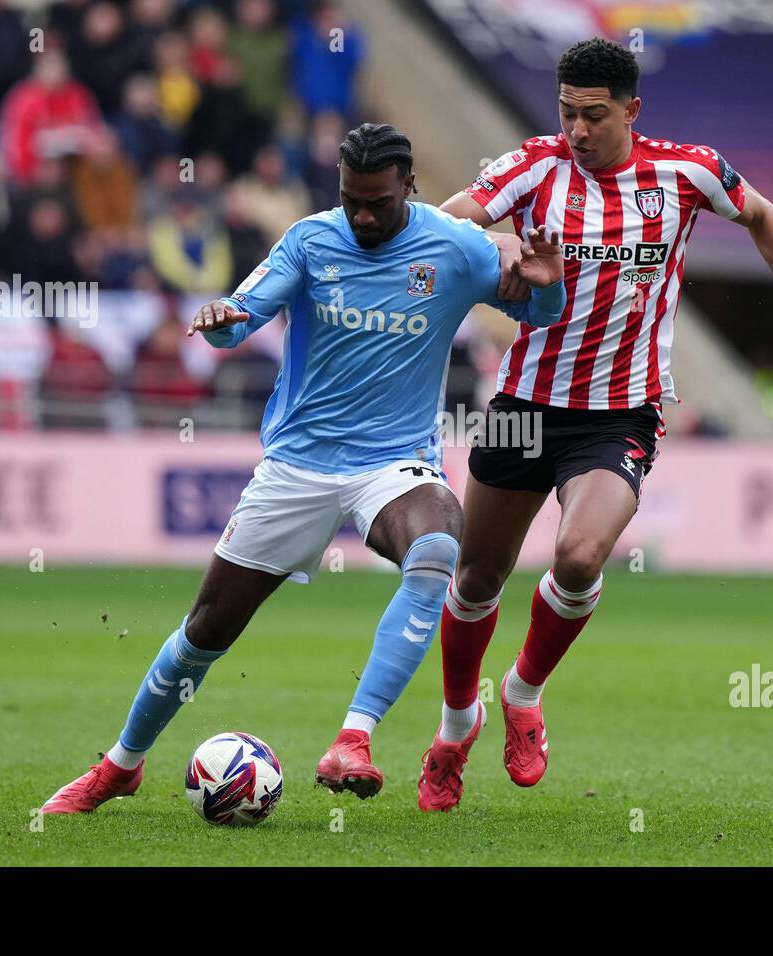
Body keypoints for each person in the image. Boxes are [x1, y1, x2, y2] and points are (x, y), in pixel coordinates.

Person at [40, 123, 566, 813]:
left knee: (438, 544)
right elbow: (241, 317)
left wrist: (549, 287)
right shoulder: (311, 240)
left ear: (409, 187)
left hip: (393, 462)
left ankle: (355, 737)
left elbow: (539, 311)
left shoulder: (455, 247)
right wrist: (224, 320)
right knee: (205, 631)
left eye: (377, 202)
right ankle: (121, 765)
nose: (364, 215)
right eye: (352, 200)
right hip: (298, 465)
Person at [419, 37, 773, 811]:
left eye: (593, 115)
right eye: (566, 112)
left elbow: (762, 215)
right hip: (526, 403)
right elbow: (446, 222)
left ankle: (523, 694)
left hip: (621, 413)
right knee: (476, 577)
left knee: (582, 554)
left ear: (632, 110)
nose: (576, 130)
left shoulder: (685, 170)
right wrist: (465, 256)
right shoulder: (533, 165)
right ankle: (457, 724)